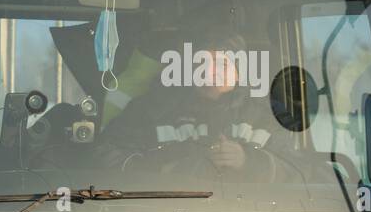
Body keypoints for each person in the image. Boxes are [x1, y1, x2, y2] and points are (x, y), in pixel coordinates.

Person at [101, 26, 295, 183]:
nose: (210, 73)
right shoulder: (154, 109)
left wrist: (248, 162)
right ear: (188, 68)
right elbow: (104, 157)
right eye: (201, 64)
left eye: (222, 65)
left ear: (239, 70)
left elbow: (303, 174)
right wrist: (165, 168)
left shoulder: (267, 115)